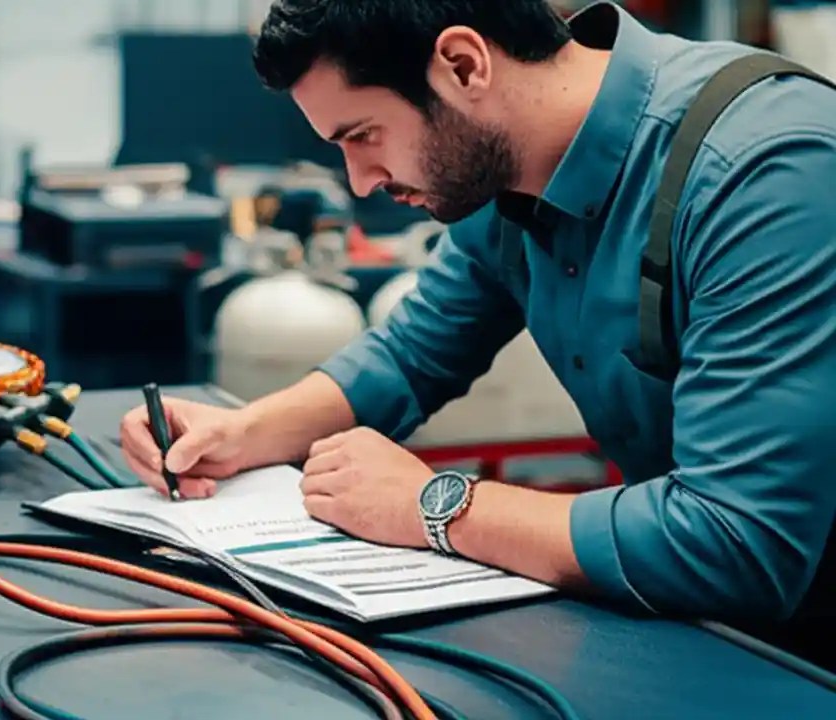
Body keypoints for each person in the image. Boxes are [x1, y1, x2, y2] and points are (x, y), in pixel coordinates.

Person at [118, 0, 836, 670]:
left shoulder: (764, 172)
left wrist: (434, 505)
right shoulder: (506, 169)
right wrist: (240, 434)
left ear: (464, 65)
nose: (360, 182)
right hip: (708, 630)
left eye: (363, 136)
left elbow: (735, 540)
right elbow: (411, 354)